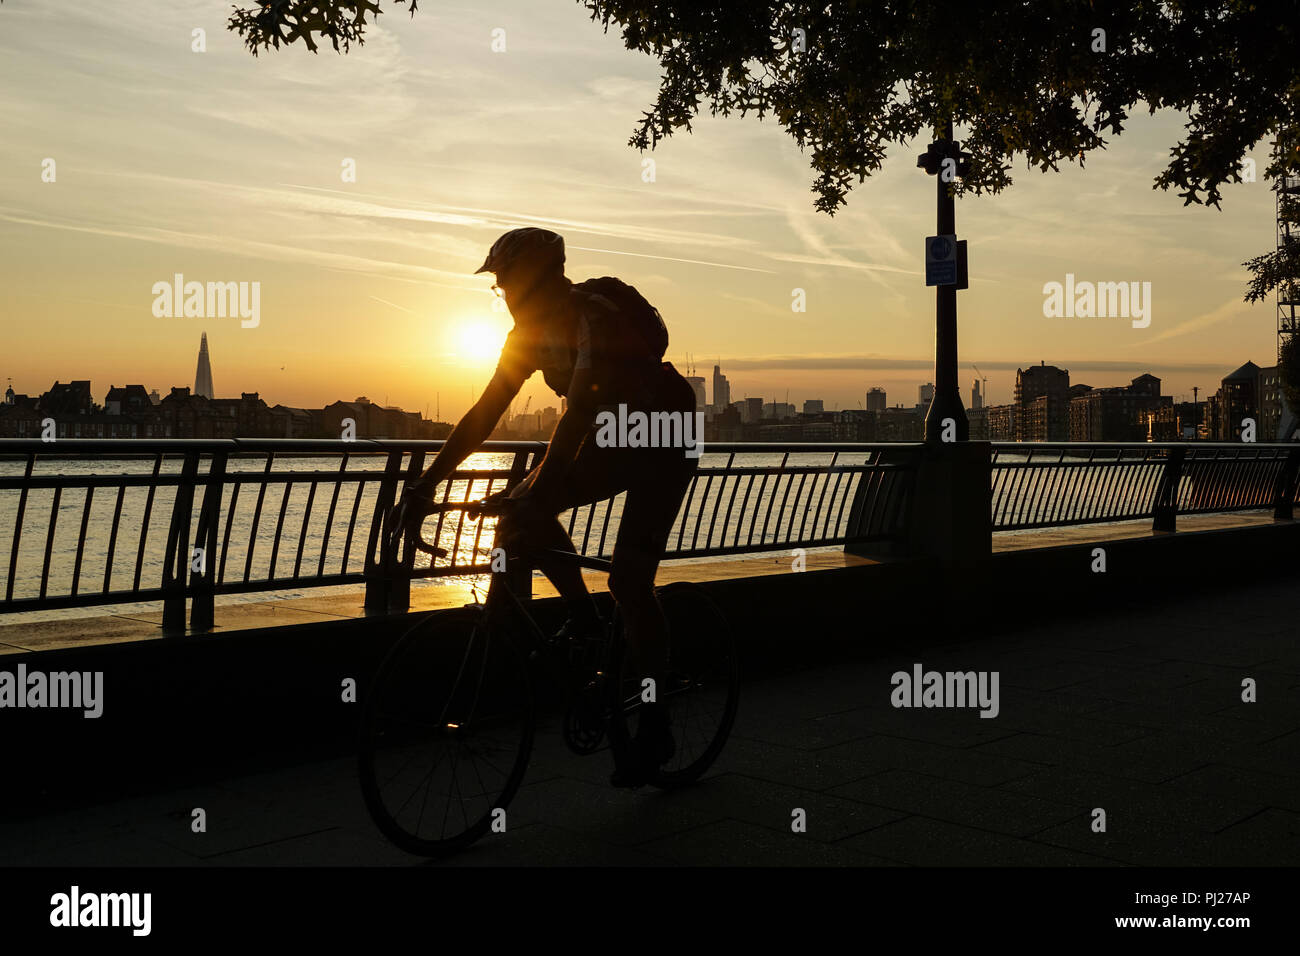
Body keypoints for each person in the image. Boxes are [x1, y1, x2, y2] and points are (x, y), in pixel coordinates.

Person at [392, 227, 699, 787]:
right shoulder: (525, 337)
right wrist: (425, 484)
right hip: (609, 436)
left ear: (542, 278)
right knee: (520, 514)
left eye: (510, 282)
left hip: (664, 435)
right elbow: (484, 414)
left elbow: (577, 416)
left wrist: (534, 494)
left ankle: (654, 718)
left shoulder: (594, 320)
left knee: (630, 583)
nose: (505, 295)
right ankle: (584, 621)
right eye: (499, 286)